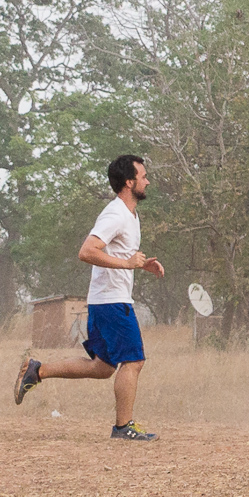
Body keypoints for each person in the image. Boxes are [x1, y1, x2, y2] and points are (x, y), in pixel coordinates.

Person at [14, 155, 164, 441]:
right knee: (133, 361)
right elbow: (87, 251)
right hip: (111, 302)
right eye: (143, 176)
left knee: (103, 366)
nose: (148, 181)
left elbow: (118, 255)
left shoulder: (130, 214)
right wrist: (128, 264)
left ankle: (37, 370)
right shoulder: (116, 213)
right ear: (129, 182)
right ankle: (123, 427)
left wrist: (139, 264)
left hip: (105, 300)